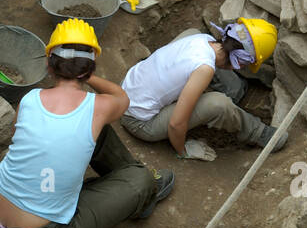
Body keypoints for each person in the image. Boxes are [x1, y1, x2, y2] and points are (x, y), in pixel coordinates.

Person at [0, 18, 175, 228]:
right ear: (89, 68)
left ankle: (120, 186)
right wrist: (89, 77)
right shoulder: (99, 107)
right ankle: (140, 195)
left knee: (93, 132)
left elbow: (19, 139)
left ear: (48, 64)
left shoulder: (29, 99)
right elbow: (122, 98)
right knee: (140, 179)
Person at [120, 17, 287, 159]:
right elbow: (175, 124)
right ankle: (259, 134)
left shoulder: (202, 39)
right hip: (138, 121)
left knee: (193, 33)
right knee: (219, 103)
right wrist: (184, 150)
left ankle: (232, 90)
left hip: (125, 90)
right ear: (241, 61)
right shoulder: (204, 69)